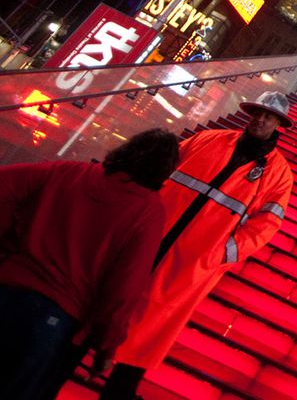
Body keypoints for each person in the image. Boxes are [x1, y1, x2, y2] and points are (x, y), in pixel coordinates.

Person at [99, 91, 295, 400]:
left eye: (268, 116)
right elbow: (160, 167)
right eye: (257, 112)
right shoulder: (210, 139)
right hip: (149, 237)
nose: (260, 119)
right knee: (113, 296)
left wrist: (220, 254)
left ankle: (118, 392)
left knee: (153, 327)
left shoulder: (279, 174)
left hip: (193, 262)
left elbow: (266, 225)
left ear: (279, 123)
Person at [0, 129, 179, 400]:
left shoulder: (71, 172)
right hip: (56, 318)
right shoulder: (148, 213)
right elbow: (125, 287)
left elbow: (5, 184)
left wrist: (7, 244)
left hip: (7, 287)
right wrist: (106, 348)